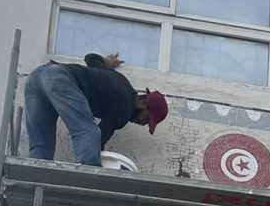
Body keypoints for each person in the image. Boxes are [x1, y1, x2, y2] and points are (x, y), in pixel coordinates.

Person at [23, 51, 169, 165]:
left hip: (38, 77)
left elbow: (91, 57)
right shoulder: (125, 107)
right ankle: (87, 180)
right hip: (60, 79)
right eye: (146, 118)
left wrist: (107, 62)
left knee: (41, 146)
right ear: (143, 102)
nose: (142, 124)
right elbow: (100, 136)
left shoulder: (119, 80)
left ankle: (35, 183)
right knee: (89, 132)